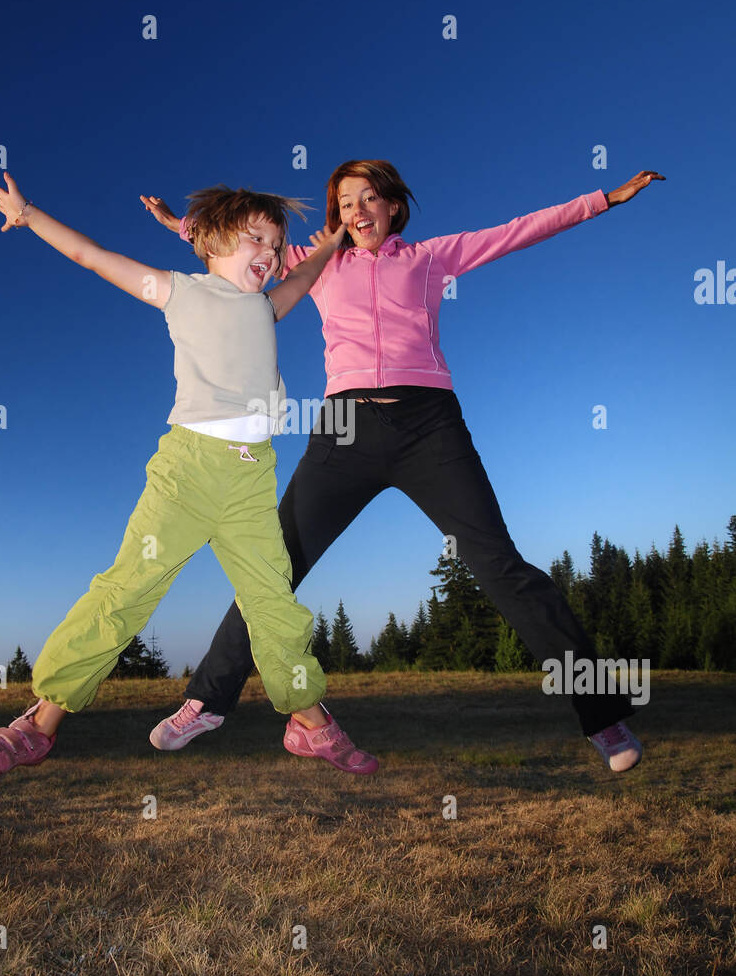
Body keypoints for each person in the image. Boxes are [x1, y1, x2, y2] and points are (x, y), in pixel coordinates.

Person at [143, 162, 665, 773]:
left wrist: (603, 199)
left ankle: (603, 717)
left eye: (370, 199)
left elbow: (519, 230)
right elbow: (244, 260)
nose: (357, 210)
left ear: (392, 207)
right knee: (273, 566)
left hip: (429, 427)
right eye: (344, 202)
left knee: (501, 566)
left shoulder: (431, 257)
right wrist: (185, 228)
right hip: (345, 428)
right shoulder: (317, 264)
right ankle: (207, 700)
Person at [0, 173, 378, 779]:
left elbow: (309, 271)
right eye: (254, 240)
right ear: (209, 244)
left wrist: (333, 238)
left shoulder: (268, 305)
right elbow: (93, 256)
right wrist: (29, 214)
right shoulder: (180, 291)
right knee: (126, 591)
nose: (268, 253)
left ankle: (311, 725)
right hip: (185, 474)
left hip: (250, 481)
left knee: (273, 606)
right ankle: (37, 724)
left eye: (274, 243)